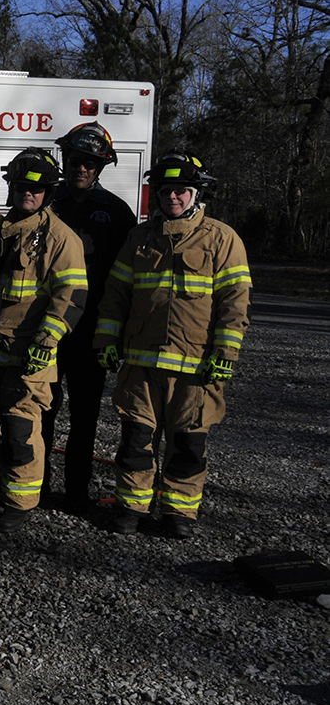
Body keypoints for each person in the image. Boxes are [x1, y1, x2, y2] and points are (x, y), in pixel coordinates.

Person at [94, 153, 251, 539]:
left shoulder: (221, 238)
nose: (173, 197)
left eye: (182, 190)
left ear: (197, 194)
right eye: (166, 191)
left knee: (188, 443)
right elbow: (116, 294)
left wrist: (225, 354)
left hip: (195, 367)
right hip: (141, 364)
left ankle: (179, 512)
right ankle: (130, 507)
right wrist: (106, 339)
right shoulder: (139, 238)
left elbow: (235, 302)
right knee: (136, 440)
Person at [0, 148, 87, 534]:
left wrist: (46, 342)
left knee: (21, 429)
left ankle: (19, 502)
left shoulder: (61, 238)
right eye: (20, 187)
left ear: (49, 192)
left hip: (30, 352)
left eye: (36, 188)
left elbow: (71, 297)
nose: (27, 193)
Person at [42, 123, 138, 508]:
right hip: (46, 330)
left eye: (90, 163)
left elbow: (127, 282)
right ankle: (35, 487)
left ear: (101, 167)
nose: (81, 168)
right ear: (65, 160)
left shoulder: (117, 214)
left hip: (91, 334)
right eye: (75, 160)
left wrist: (117, 335)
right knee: (41, 410)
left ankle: (76, 492)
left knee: (85, 417)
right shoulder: (46, 203)